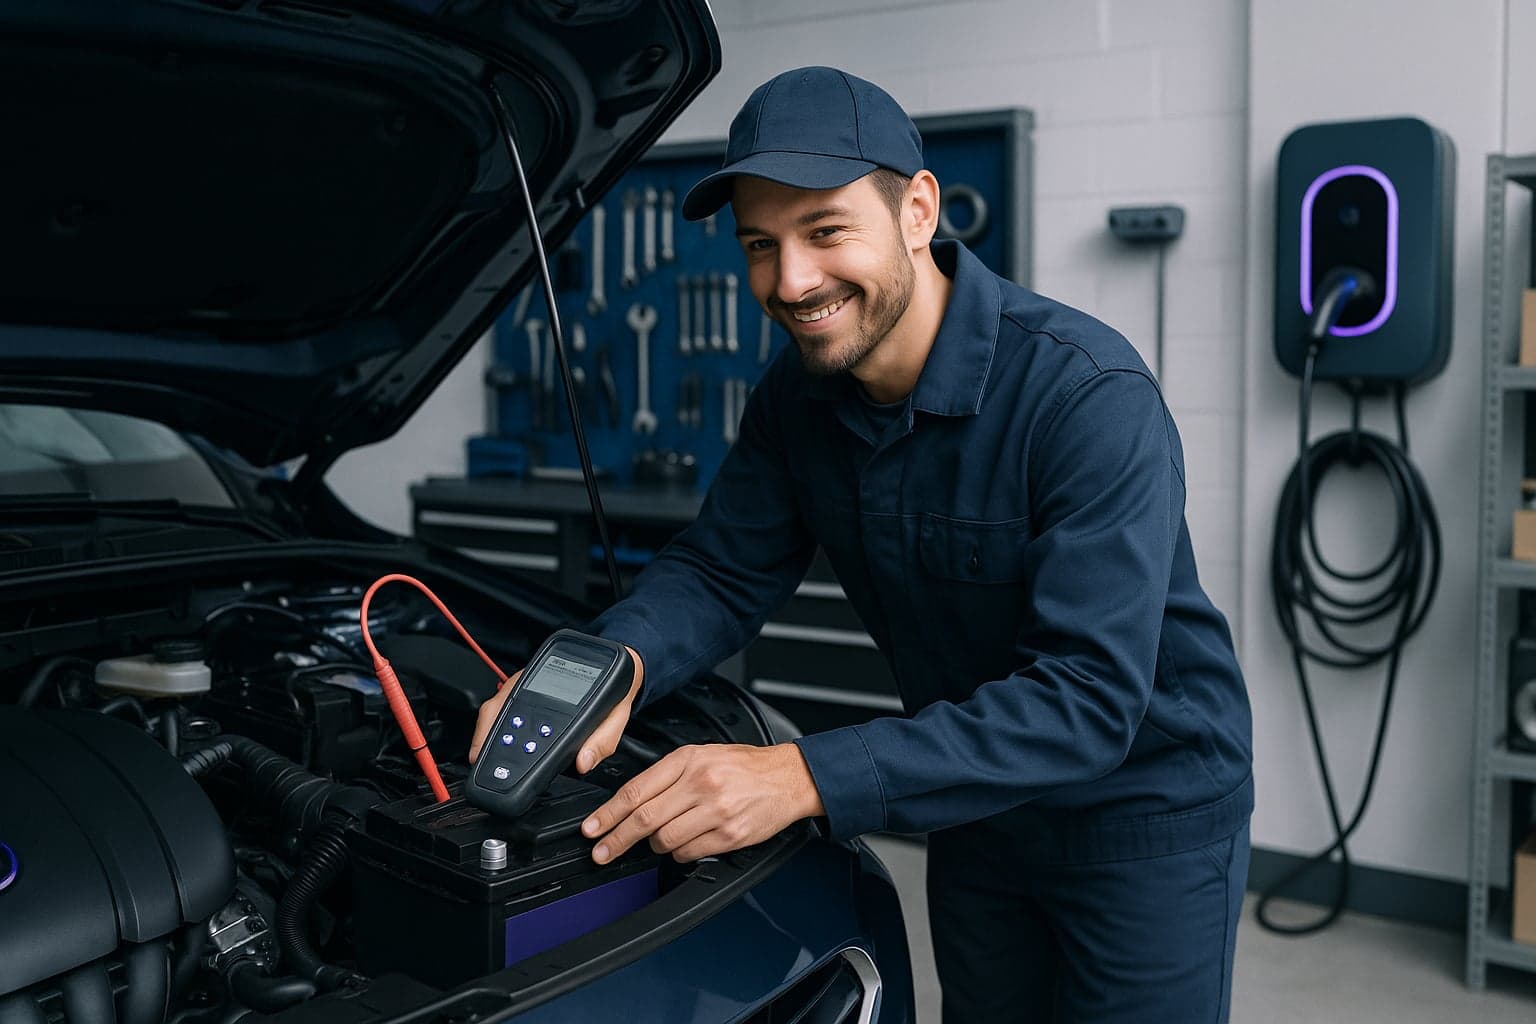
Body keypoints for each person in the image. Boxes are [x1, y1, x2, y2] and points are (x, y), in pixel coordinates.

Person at [471, 65, 1253, 1023]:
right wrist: (613, 666)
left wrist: (802, 775)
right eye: (761, 246)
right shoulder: (797, 398)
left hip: (1142, 819)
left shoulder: (1085, 397)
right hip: (976, 802)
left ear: (918, 211)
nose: (791, 282)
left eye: (826, 231)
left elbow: (1088, 700)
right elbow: (720, 568)